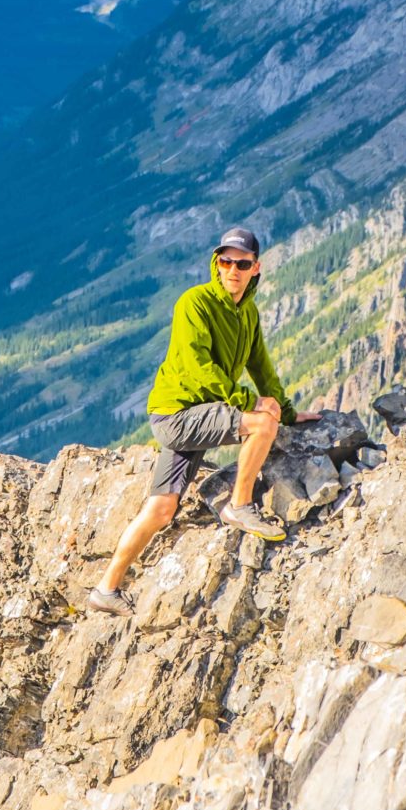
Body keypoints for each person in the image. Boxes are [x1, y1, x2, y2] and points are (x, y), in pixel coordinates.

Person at [88, 226, 320, 616]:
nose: (232, 269)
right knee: (262, 422)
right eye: (225, 260)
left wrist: (289, 410)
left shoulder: (247, 313)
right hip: (177, 414)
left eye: (241, 263)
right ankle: (239, 505)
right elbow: (200, 369)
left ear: (255, 268)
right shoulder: (194, 303)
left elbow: (260, 365)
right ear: (217, 263)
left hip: (198, 413)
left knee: (161, 509)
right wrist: (252, 403)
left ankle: (104, 591)